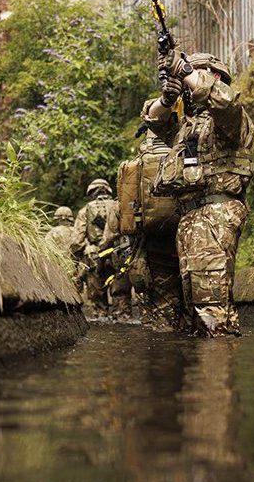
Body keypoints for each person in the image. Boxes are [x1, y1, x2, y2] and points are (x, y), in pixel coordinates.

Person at [140, 52, 253, 337]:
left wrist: (183, 68)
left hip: (214, 217)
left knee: (212, 315)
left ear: (213, 78)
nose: (187, 83)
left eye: (194, 75)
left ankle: (215, 373)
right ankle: (204, 376)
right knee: (194, 319)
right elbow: (153, 119)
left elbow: (225, 101)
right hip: (191, 220)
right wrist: (167, 99)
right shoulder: (186, 127)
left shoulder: (226, 119)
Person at [100, 131, 189, 332]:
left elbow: (121, 223)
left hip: (151, 244)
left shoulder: (135, 168)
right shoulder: (185, 156)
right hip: (187, 240)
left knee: (159, 307)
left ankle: (160, 350)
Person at [72, 179, 117, 320]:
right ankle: (123, 316)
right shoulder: (119, 206)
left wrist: (74, 259)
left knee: (98, 306)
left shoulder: (85, 210)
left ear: (91, 193)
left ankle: (102, 317)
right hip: (119, 253)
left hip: (94, 256)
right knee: (122, 299)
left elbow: (77, 241)